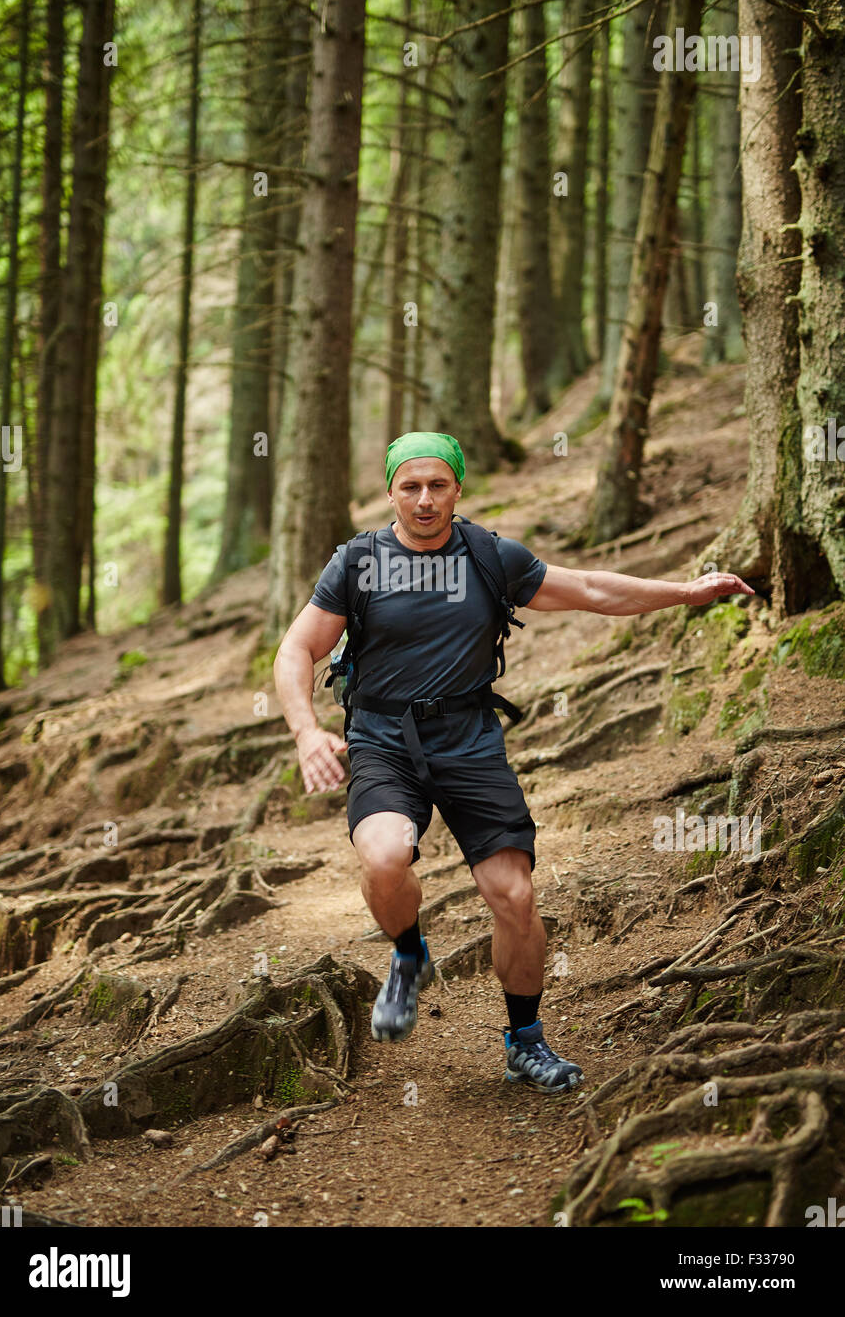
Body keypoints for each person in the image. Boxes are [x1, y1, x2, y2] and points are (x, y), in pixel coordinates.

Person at [273, 431, 754, 1094]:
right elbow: (297, 649)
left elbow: (590, 589)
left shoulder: (489, 556)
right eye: (410, 486)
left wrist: (684, 593)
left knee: (516, 897)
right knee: (385, 857)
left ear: (458, 489)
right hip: (383, 740)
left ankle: (525, 1042)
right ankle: (409, 955)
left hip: (469, 740)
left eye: (437, 485)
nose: (423, 499)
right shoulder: (357, 563)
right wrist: (306, 732)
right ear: (389, 492)